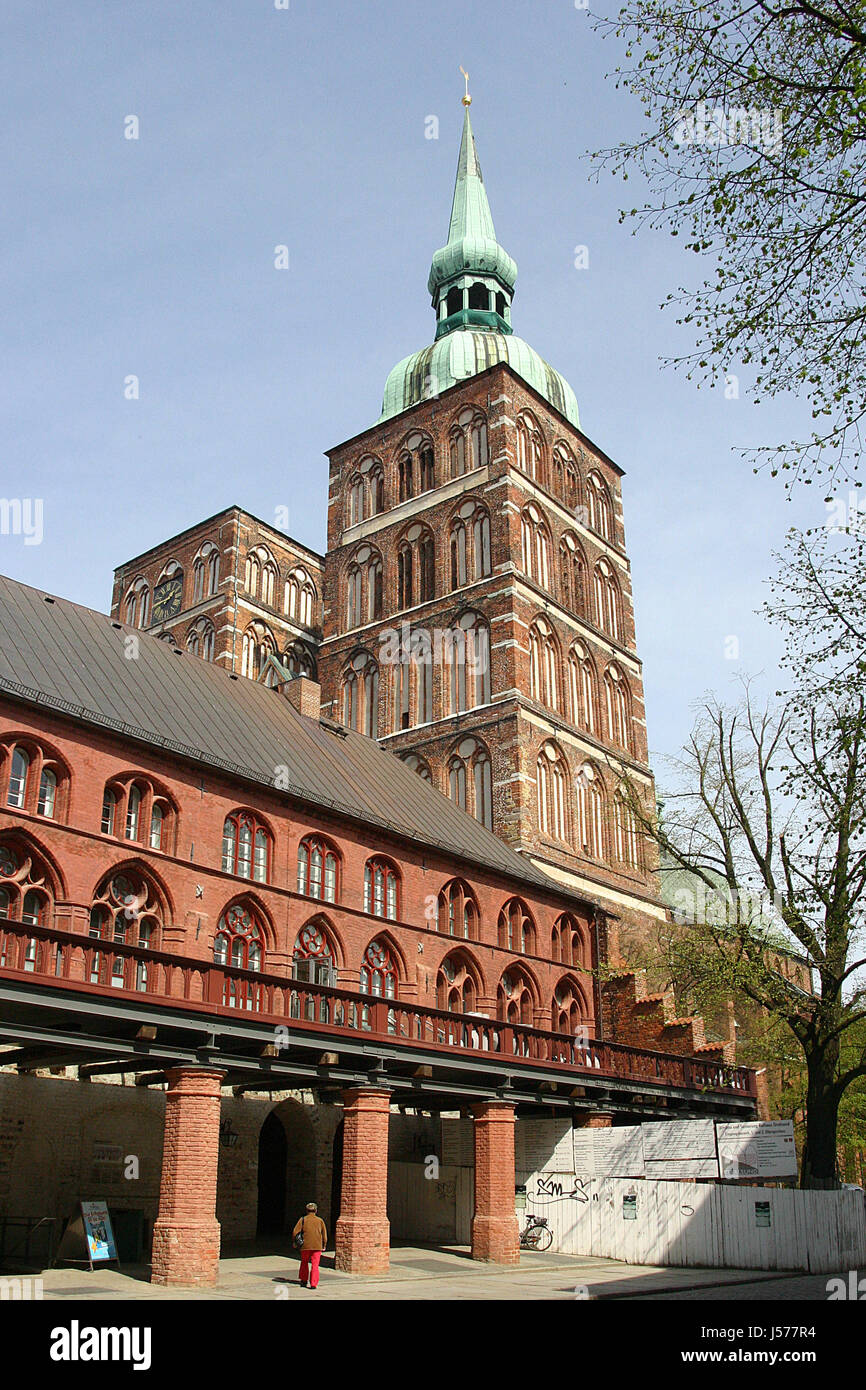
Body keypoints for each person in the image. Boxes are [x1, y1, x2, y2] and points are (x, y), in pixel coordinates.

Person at [293, 1201, 328, 1289]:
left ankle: (304, 1280)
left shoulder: (303, 1219)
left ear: (307, 1210)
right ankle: (313, 1283)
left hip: (306, 1245)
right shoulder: (320, 1221)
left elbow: (295, 1232)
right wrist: (324, 1244)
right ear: (316, 1211)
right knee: (315, 1265)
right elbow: (324, 1234)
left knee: (304, 1262)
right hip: (317, 1245)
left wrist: (295, 1242)